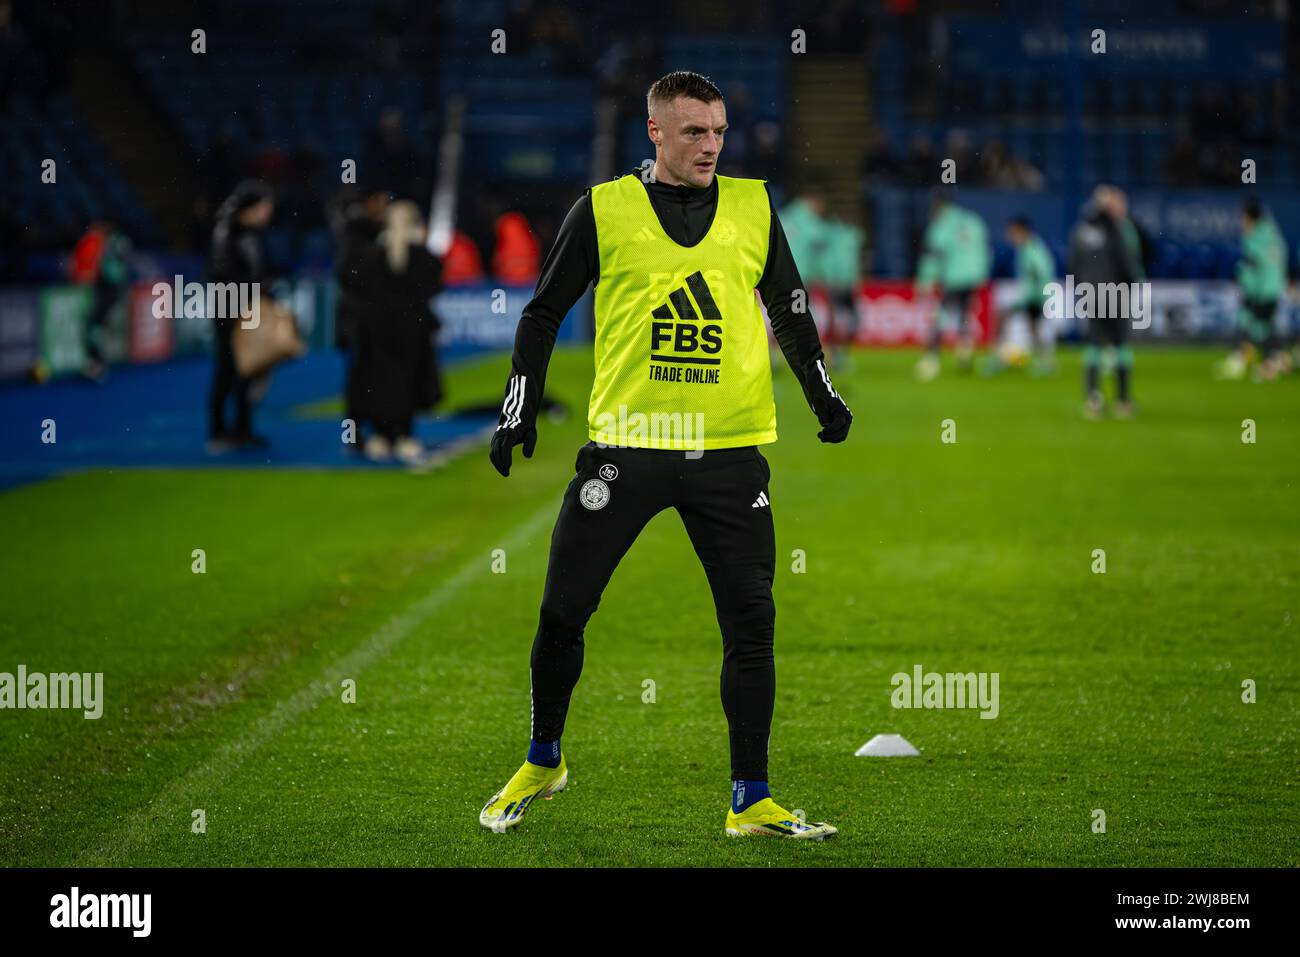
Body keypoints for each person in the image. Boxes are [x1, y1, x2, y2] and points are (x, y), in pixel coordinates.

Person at [480, 71, 852, 840]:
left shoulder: (753, 205)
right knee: (561, 610)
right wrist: (518, 406)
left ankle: (751, 797)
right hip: (627, 450)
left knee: (752, 625)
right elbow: (544, 311)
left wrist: (822, 395)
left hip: (729, 453)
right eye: (693, 132)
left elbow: (790, 307)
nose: (710, 145)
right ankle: (543, 757)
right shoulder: (604, 209)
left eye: (717, 131)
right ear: (654, 132)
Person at [351, 200, 443, 463]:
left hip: (378, 331)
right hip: (410, 332)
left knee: (378, 382)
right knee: (407, 382)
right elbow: (434, 286)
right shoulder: (422, 257)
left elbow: (359, 286)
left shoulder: (373, 255)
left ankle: (381, 436)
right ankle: (403, 435)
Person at [208, 179, 274, 452]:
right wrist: (245, 303)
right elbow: (224, 274)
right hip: (231, 312)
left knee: (248, 370)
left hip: (246, 310)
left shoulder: (249, 233)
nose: (268, 213)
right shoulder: (228, 232)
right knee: (228, 370)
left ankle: (243, 428)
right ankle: (219, 431)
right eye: (264, 207)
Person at [1068, 185, 1143, 419]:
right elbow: (1127, 263)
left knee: (1094, 346)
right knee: (1120, 346)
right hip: (1116, 292)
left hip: (1091, 294)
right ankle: (1122, 402)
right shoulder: (1116, 230)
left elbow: (1073, 264)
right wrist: (1131, 285)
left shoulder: (1081, 231)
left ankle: (1093, 401)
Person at [331, 186, 390, 452]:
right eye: (380, 201)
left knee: (367, 375)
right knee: (361, 377)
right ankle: (356, 433)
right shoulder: (357, 234)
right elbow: (349, 275)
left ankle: (368, 429)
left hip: (364, 315)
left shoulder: (361, 233)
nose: (384, 208)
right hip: (360, 318)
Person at [914, 189, 991, 381]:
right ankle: (964, 354)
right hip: (974, 276)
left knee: (940, 316)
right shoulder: (973, 220)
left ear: (938, 205)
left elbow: (933, 255)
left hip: (954, 277)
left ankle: (931, 360)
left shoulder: (941, 225)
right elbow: (985, 248)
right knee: (964, 315)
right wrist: (982, 273)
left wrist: (925, 281)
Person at [1216, 199, 1287, 382]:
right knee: (1258, 324)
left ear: (1250, 218)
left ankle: (1270, 362)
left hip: (1261, 289)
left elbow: (1253, 264)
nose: (1241, 222)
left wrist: (1246, 283)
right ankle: (1266, 360)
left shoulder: (1256, 237)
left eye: (1243, 217)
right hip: (1273, 287)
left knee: (1258, 327)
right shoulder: (1272, 232)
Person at [68, 218, 131, 382]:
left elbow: (112, 270)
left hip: (109, 291)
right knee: (95, 327)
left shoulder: (110, 242)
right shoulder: (112, 242)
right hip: (110, 291)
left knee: (95, 326)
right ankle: (96, 365)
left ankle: (98, 366)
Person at [999, 215, 1056, 375]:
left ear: (1020, 231)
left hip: (1035, 296)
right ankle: (1045, 361)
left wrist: (1035, 291)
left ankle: (1003, 356)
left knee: (1006, 317)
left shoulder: (1031, 248)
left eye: (1012, 232)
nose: (1009, 236)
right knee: (1033, 328)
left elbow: (1040, 271)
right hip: (1035, 295)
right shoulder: (1029, 247)